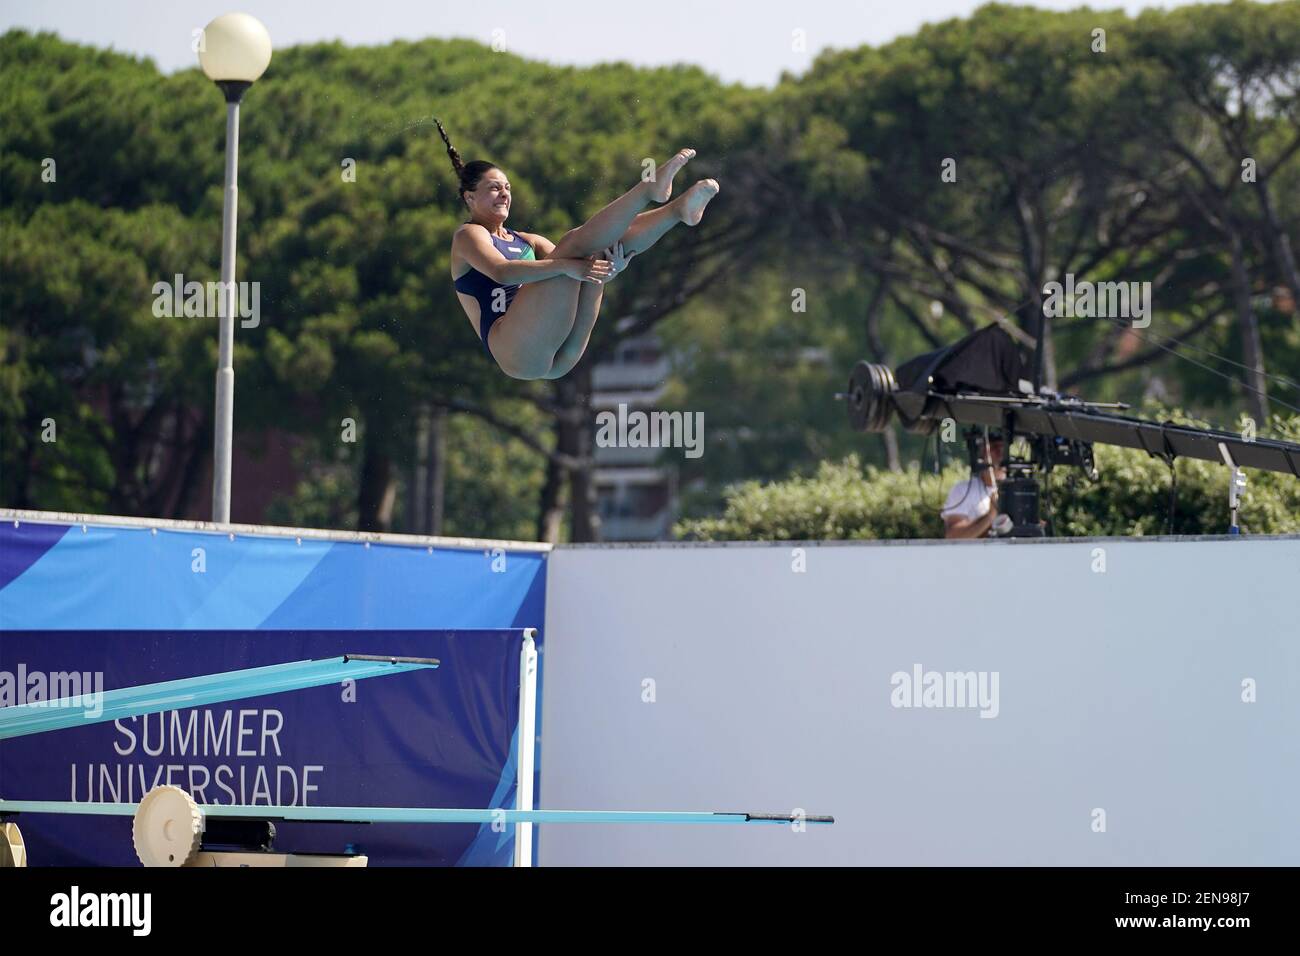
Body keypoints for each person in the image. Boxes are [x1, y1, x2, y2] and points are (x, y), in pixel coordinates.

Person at [436, 120, 720, 380]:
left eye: (507, 187)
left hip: (561, 352)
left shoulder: (526, 241)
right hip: (517, 353)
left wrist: (609, 270)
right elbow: (501, 272)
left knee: (596, 249)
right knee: (572, 246)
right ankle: (648, 190)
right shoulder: (468, 235)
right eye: (495, 188)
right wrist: (564, 266)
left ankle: (676, 210)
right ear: (470, 197)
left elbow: (580, 258)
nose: (505, 194)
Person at [942, 434, 1009, 539]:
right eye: (994, 448)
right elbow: (953, 537)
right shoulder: (962, 490)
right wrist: (991, 515)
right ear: (981, 455)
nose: (1000, 453)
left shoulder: (1019, 489)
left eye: (1004, 449)